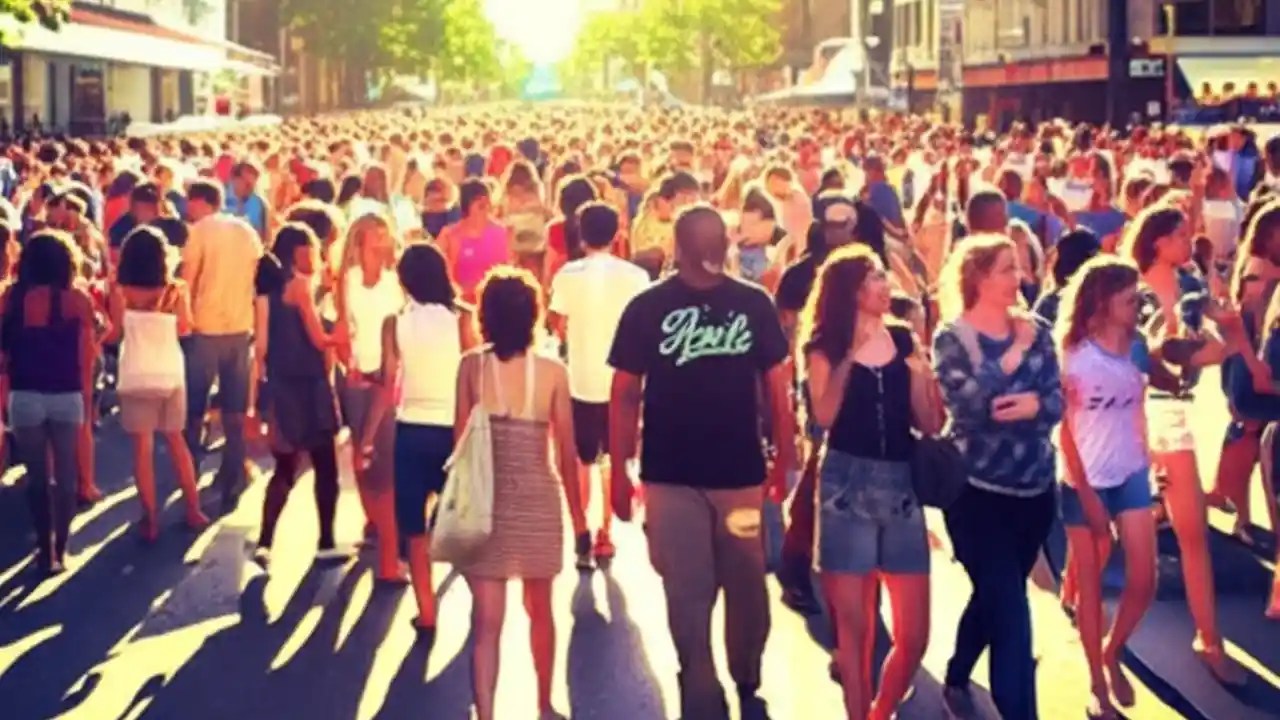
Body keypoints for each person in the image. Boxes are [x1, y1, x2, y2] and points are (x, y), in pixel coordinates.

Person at [608, 205, 795, 719]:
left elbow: (777, 386)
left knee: (747, 585)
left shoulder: (753, 304)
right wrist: (618, 474)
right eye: (708, 242)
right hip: (670, 480)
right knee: (686, 593)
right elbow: (624, 392)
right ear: (682, 247)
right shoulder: (647, 307)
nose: (716, 250)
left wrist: (786, 457)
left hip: (740, 478)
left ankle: (746, 669)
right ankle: (699, 685)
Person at [801, 243, 941, 720]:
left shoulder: (903, 339)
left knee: (915, 635)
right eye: (875, 278)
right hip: (844, 484)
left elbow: (930, 422)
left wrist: (922, 376)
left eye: (883, 277)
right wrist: (850, 359)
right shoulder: (825, 345)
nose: (886, 286)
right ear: (851, 292)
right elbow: (823, 413)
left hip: (901, 486)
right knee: (855, 632)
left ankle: (880, 710)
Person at [932, 234, 1063, 720]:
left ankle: (958, 670)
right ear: (979, 277)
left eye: (1019, 268)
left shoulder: (1039, 331)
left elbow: (1057, 399)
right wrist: (1012, 358)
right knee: (1012, 610)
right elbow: (968, 407)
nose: (1019, 278)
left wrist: (1034, 405)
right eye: (1008, 269)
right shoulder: (952, 336)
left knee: (995, 595)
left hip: (1033, 494)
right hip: (975, 497)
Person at [454, 266, 587, 720]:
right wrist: (581, 519)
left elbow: (460, 445)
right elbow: (567, 454)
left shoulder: (471, 367)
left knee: (487, 623)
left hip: (487, 500)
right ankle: (544, 704)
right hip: (537, 497)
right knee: (541, 612)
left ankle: (487, 712)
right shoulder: (552, 371)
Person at [1123, 203, 1247, 685]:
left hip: (1176, 412)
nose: (1187, 241)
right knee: (1104, 519)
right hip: (1128, 409)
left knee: (1191, 528)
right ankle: (1077, 589)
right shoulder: (1128, 288)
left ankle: (1208, 636)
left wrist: (1221, 326)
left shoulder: (1192, 290)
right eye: (1179, 235)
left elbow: (1222, 344)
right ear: (1158, 241)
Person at [1055, 256, 1158, 719]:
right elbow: (1063, 430)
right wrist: (1087, 494)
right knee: (1090, 584)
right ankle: (1096, 685)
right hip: (1084, 478)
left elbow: (1139, 407)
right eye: (1129, 298)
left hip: (1131, 470)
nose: (1137, 306)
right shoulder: (1073, 355)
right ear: (1102, 300)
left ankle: (1112, 648)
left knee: (1144, 578)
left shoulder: (1137, 349)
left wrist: (1150, 460)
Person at [360, 243, 477, 638]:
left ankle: (427, 613)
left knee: (414, 529)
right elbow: (474, 376)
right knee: (463, 524)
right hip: (455, 430)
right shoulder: (463, 318)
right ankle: (481, 607)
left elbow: (388, 384)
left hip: (411, 430)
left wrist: (369, 436)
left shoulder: (394, 323)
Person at [547, 202, 649, 570]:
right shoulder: (637, 277)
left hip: (582, 380)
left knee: (580, 460)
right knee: (614, 459)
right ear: (617, 233)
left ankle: (582, 529)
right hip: (623, 381)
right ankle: (606, 531)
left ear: (581, 233)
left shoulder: (567, 275)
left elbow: (556, 326)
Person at [1, 230, 96, 573]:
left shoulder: (11, 298)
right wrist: (87, 400)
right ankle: (62, 547)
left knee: (38, 479)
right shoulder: (76, 300)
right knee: (67, 479)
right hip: (66, 394)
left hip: (24, 395)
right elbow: (88, 355)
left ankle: (44, 549)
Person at [105, 226, 208, 541]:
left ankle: (149, 519)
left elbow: (116, 332)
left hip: (135, 372)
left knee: (142, 448)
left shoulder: (120, 290)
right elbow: (186, 329)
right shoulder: (176, 290)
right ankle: (193, 508)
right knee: (177, 441)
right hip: (169, 371)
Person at [253, 224, 347, 567]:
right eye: (311, 247)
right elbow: (320, 339)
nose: (317, 254)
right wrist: (343, 333)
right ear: (297, 252)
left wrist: (257, 398)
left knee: (285, 469)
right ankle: (325, 540)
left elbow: (260, 345)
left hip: (281, 383)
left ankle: (265, 542)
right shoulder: (301, 287)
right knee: (325, 466)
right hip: (311, 384)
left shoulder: (267, 290)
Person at [182, 179, 264, 510]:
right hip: (240, 324)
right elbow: (257, 276)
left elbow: (188, 279)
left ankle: (188, 469)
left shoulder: (200, 230)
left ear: (201, 202)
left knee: (196, 405)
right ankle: (233, 467)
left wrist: (183, 321)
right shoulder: (246, 231)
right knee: (234, 406)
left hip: (205, 324)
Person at [336, 213, 405, 582]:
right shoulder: (346, 281)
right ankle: (372, 520)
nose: (380, 242)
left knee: (382, 456)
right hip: (356, 375)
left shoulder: (395, 284)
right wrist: (346, 363)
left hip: (388, 377)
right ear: (359, 242)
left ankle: (389, 532)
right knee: (359, 457)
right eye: (373, 236)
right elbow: (340, 326)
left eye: (384, 235)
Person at [437, 179, 510, 304]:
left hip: (495, 304)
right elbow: (440, 276)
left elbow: (508, 271)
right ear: (467, 207)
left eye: (489, 205)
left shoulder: (502, 232)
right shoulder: (449, 236)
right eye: (481, 206)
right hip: (462, 305)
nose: (487, 210)